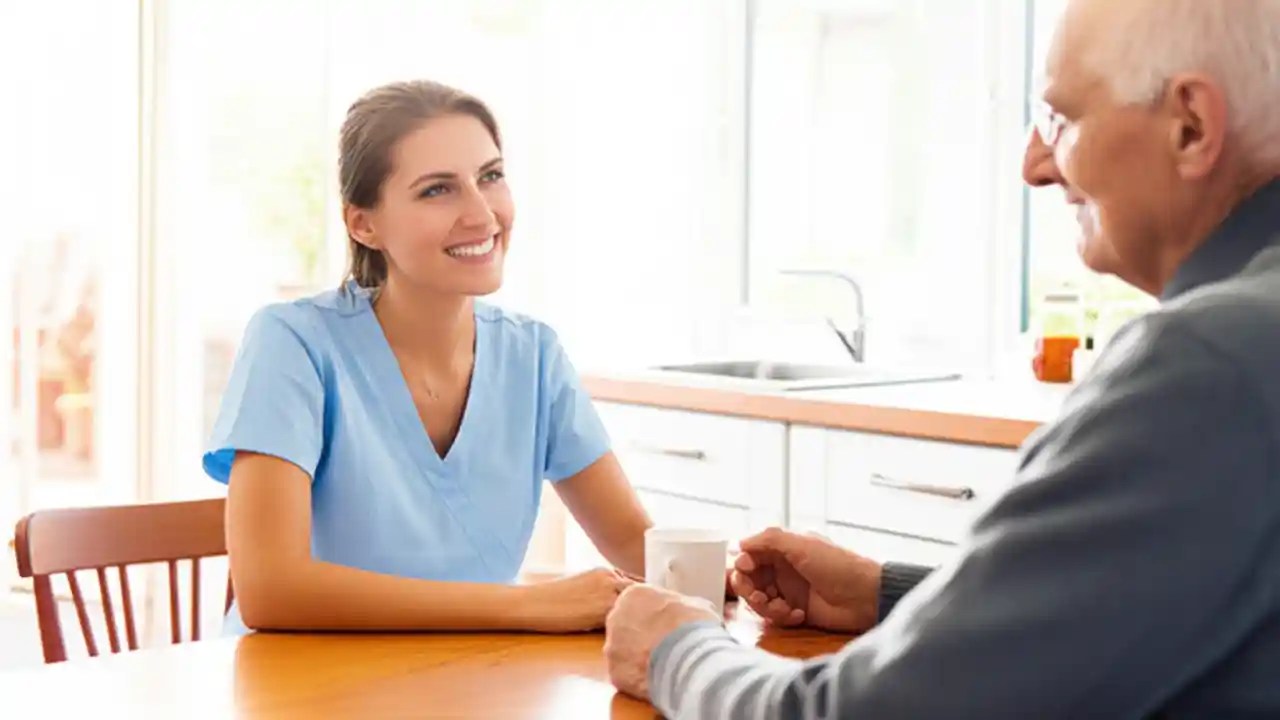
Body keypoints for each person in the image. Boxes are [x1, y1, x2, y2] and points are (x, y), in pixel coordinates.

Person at [604, 0, 1280, 716]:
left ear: (1190, 126)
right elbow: (1160, 602)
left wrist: (677, 652)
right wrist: (886, 593)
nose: (1034, 165)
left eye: (1060, 119)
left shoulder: (1207, 367)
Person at [204, 80, 653, 635]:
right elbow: (271, 590)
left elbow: (635, 544)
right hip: (291, 678)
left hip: (464, 672)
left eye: (490, 176)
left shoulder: (533, 356)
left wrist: (732, 574)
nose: (482, 214)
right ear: (364, 224)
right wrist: (526, 605)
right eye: (438, 190)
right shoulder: (293, 342)